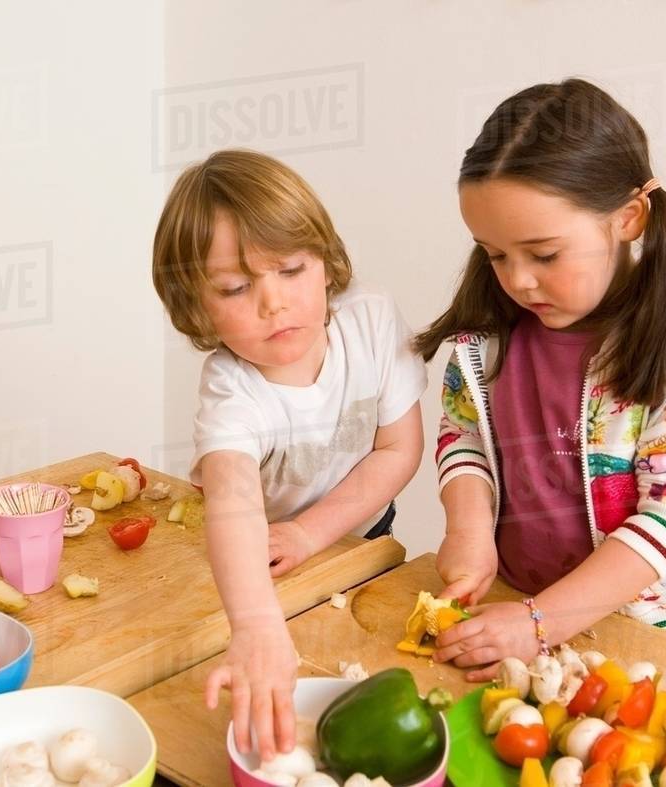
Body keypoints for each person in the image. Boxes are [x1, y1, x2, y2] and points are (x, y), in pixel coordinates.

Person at [416, 79, 666, 682]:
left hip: (644, 636)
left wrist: (541, 622)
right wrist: (467, 529)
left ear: (627, 219)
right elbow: (462, 434)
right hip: (516, 607)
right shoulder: (489, 334)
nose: (518, 281)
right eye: (494, 254)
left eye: (543, 255)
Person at [152, 149, 427, 757]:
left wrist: (311, 532)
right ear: (195, 307)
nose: (272, 303)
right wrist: (252, 625)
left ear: (327, 265)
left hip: (361, 534)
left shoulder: (373, 318)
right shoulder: (231, 386)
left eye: (291, 270)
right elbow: (231, 498)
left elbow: (399, 448)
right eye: (235, 288)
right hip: (258, 562)